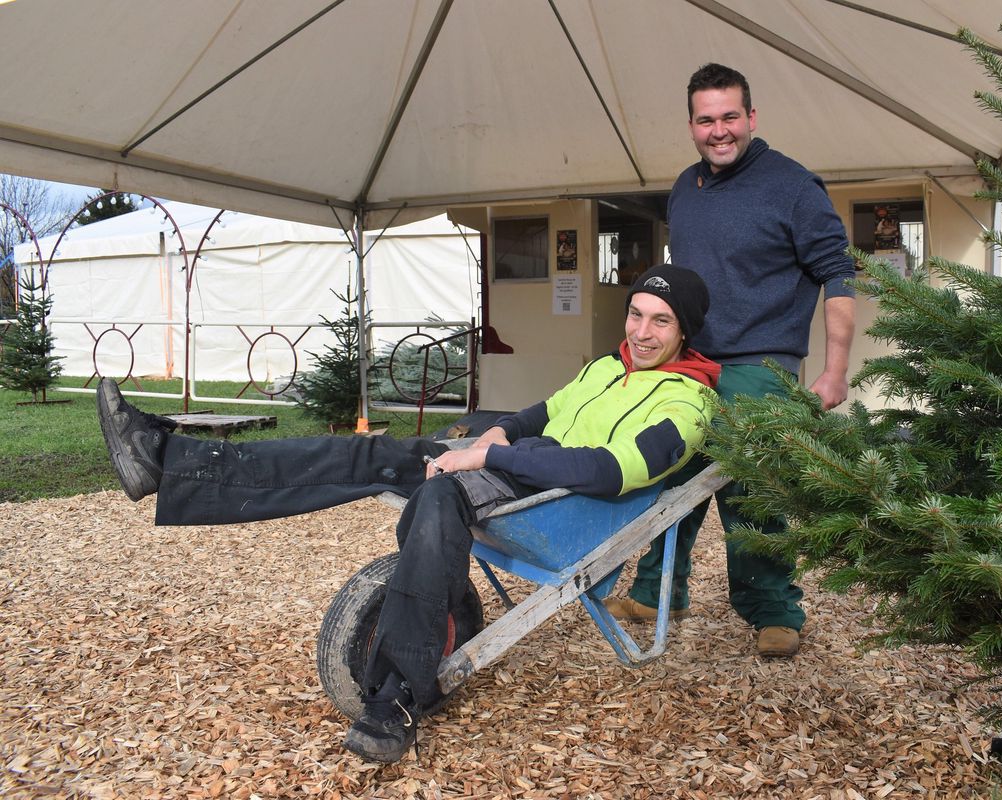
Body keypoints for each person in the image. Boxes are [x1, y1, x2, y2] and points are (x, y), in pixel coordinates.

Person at [97, 264, 719, 763]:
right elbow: (544, 412)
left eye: (660, 321)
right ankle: (169, 461)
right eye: (636, 313)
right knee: (365, 452)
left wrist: (485, 456)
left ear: (684, 332)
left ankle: (396, 697)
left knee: (439, 496)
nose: (642, 332)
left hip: (557, 504)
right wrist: (499, 432)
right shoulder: (608, 365)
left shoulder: (689, 404)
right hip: (516, 471)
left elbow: (609, 471)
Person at [604, 63, 857, 659]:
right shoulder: (684, 188)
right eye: (706, 120)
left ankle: (773, 611)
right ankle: (658, 593)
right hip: (689, 362)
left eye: (730, 117)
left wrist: (835, 371)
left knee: (752, 489)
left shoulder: (793, 186)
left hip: (760, 364)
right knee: (669, 473)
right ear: (691, 125)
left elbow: (838, 275)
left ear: (751, 117)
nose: (719, 131)